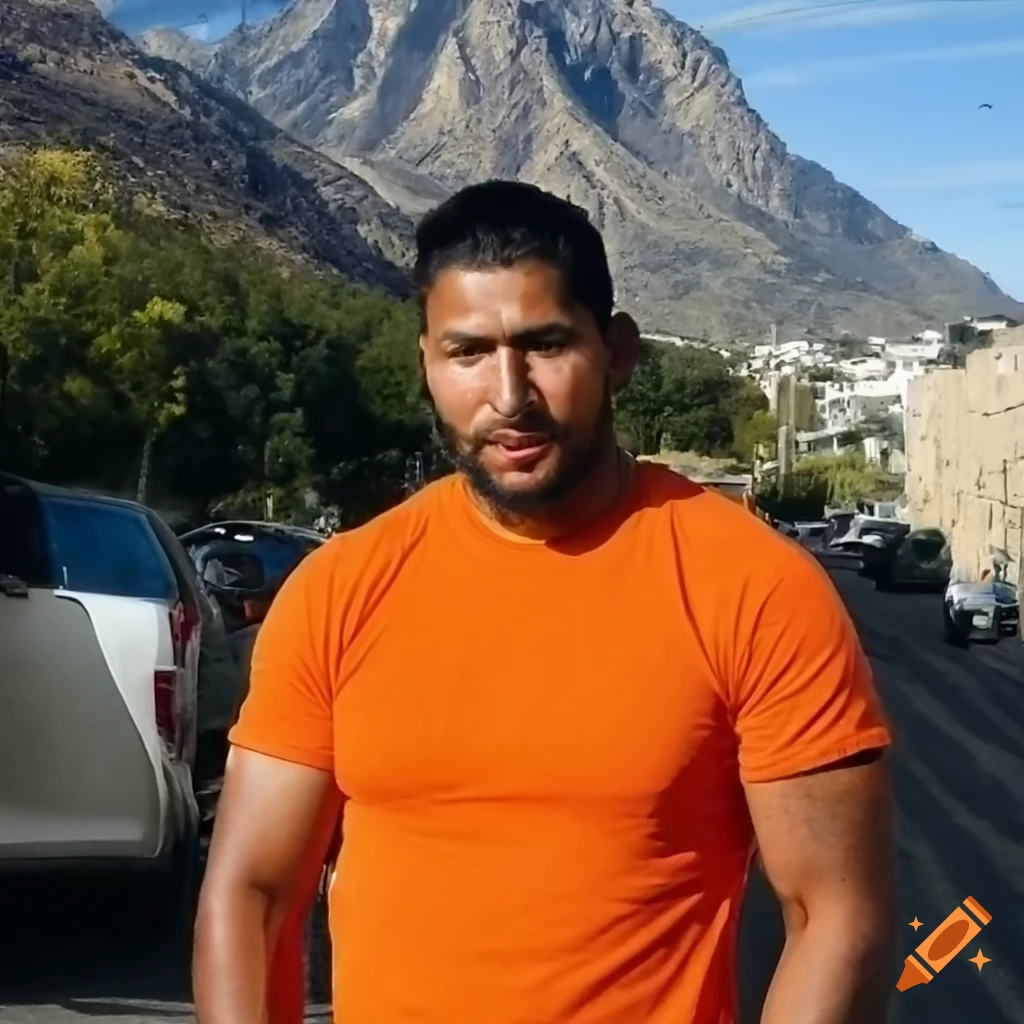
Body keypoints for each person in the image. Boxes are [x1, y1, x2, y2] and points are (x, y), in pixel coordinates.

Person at [194, 180, 895, 1024]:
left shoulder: (756, 589)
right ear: (425, 363)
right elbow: (255, 892)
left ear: (617, 351)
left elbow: (836, 914)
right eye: (467, 353)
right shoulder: (341, 590)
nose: (510, 394)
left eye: (546, 344)